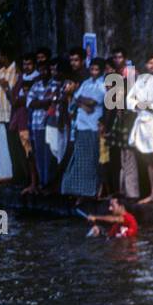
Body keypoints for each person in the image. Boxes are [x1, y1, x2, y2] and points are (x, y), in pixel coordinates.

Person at [60, 57, 106, 199]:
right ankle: (79, 191)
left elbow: (92, 103)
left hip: (93, 126)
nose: (93, 72)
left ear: (101, 70)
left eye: (96, 69)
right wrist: (82, 102)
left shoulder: (103, 84)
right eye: (91, 69)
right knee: (80, 159)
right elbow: (76, 100)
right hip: (81, 125)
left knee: (92, 160)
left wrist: (81, 101)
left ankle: (92, 191)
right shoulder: (85, 83)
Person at [128, 54, 153, 203]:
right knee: (148, 159)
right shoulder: (141, 79)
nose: (152, 66)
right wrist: (140, 104)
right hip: (143, 122)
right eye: (150, 63)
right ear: (146, 64)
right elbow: (130, 99)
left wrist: (149, 105)